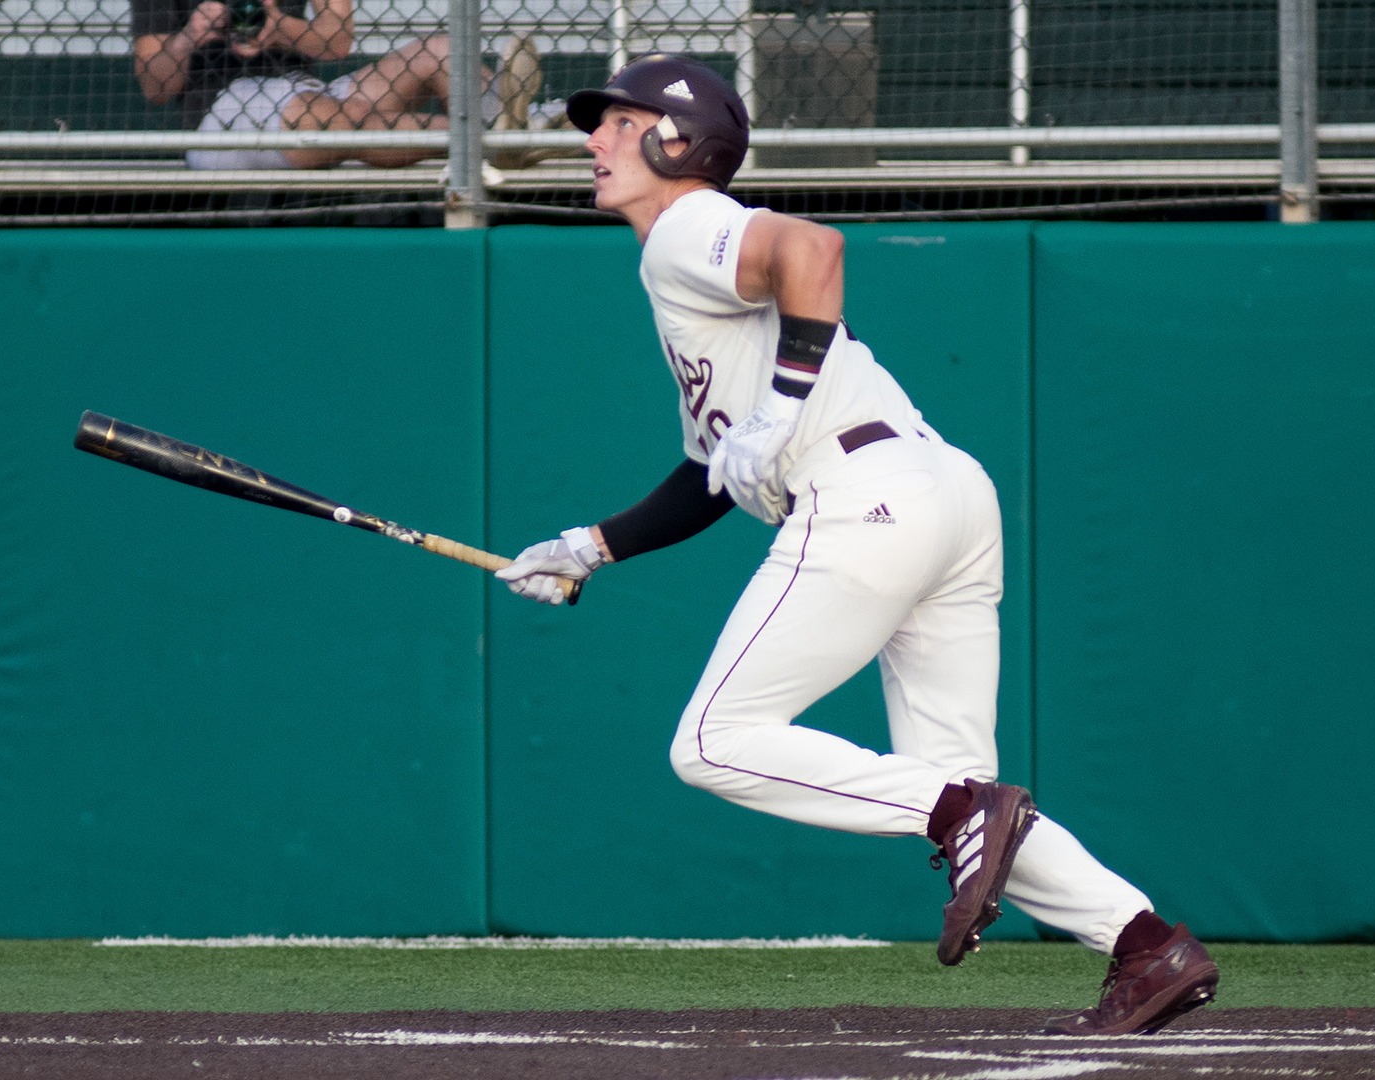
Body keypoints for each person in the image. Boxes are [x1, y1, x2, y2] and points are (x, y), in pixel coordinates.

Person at [495, 53, 1220, 1037]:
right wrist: (588, 546)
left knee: (713, 744)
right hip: (942, 498)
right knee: (965, 797)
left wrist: (781, 413)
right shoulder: (680, 263)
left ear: (679, 140)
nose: (593, 141)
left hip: (862, 498)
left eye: (618, 124)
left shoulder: (684, 228)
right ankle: (1146, 948)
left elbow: (816, 251)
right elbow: (714, 474)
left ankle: (967, 819)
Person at [131, 0, 546, 170]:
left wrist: (280, 29)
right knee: (340, 119)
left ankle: (510, 134)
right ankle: (497, 137)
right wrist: (191, 35)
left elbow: (337, 39)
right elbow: (157, 86)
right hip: (219, 116)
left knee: (442, 51)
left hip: (305, 91)